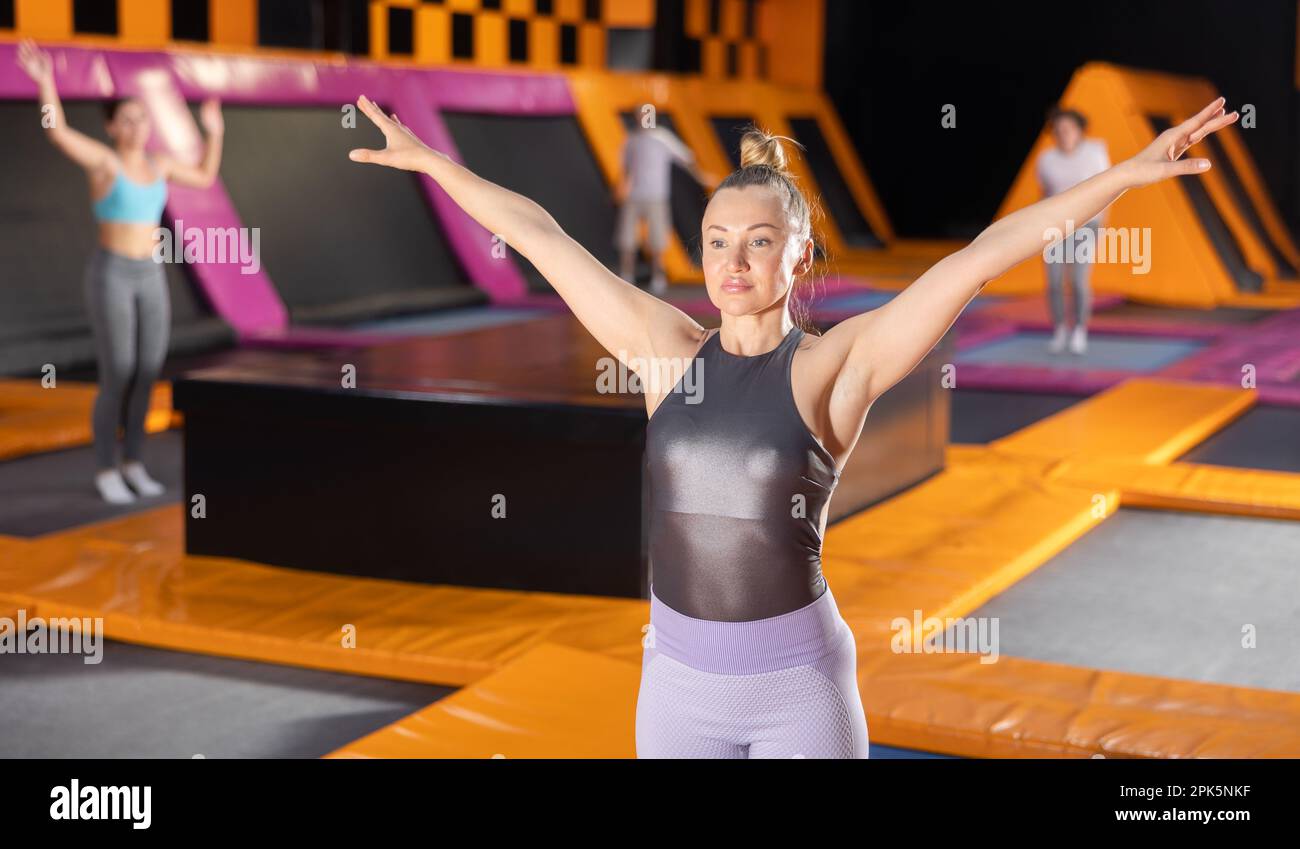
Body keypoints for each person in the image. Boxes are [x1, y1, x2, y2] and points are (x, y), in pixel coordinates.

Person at [347, 93, 1235, 758]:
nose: (733, 261)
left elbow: (981, 258)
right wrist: (434, 163)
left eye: (759, 240)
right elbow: (542, 239)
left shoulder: (833, 366)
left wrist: (1124, 174)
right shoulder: (666, 351)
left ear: (799, 253)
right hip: (676, 688)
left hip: (796, 691)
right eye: (717, 239)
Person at [16, 40, 224, 504]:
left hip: (150, 274)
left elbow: (207, 176)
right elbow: (57, 132)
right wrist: (46, 82)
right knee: (120, 370)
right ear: (111, 127)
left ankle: (134, 461)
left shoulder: (160, 163)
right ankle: (107, 467)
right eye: (126, 119)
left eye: (141, 117)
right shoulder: (105, 162)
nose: (136, 125)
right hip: (112, 273)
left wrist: (215, 130)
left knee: (149, 370)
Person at [1036, 107, 1111, 355]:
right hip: (1055, 226)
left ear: (1079, 131)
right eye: (1058, 130)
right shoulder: (1046, 158)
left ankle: (1079, 329)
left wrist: (1101, 226)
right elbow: (1045, 194)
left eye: (1068, 129)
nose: (1064, 134)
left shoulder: (1095, 152)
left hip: (1087, 224)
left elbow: (1107, 191)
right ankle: (1060, 329)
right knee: (1055, 281)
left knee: (1078, 281)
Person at [616, 121, 701, 295]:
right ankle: (626, 277)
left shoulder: (662, 138)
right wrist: (620, 188)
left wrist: (699, 177)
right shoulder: (631, 140)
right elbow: (625, 168)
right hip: (634, 197)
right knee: (627, 238)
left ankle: (658, 278)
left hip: (656, 197)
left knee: (657, 239)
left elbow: (686, 158)